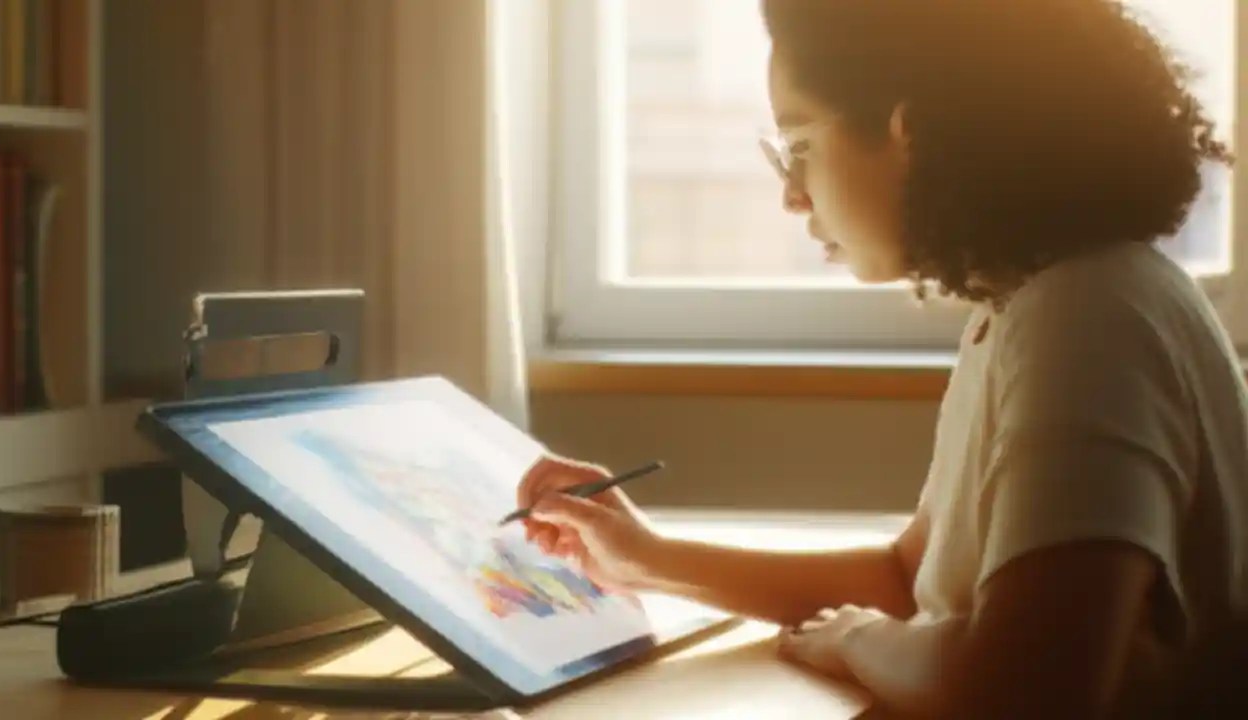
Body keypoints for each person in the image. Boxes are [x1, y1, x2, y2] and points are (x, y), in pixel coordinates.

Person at [518, 1, 1248, 717]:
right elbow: (910, 579)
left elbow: (1023, 688)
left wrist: (861, 644)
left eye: (799, 146)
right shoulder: (1044, 301)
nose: (792, 197)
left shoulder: (1087, 318)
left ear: (914, 133)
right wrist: (645, 558)